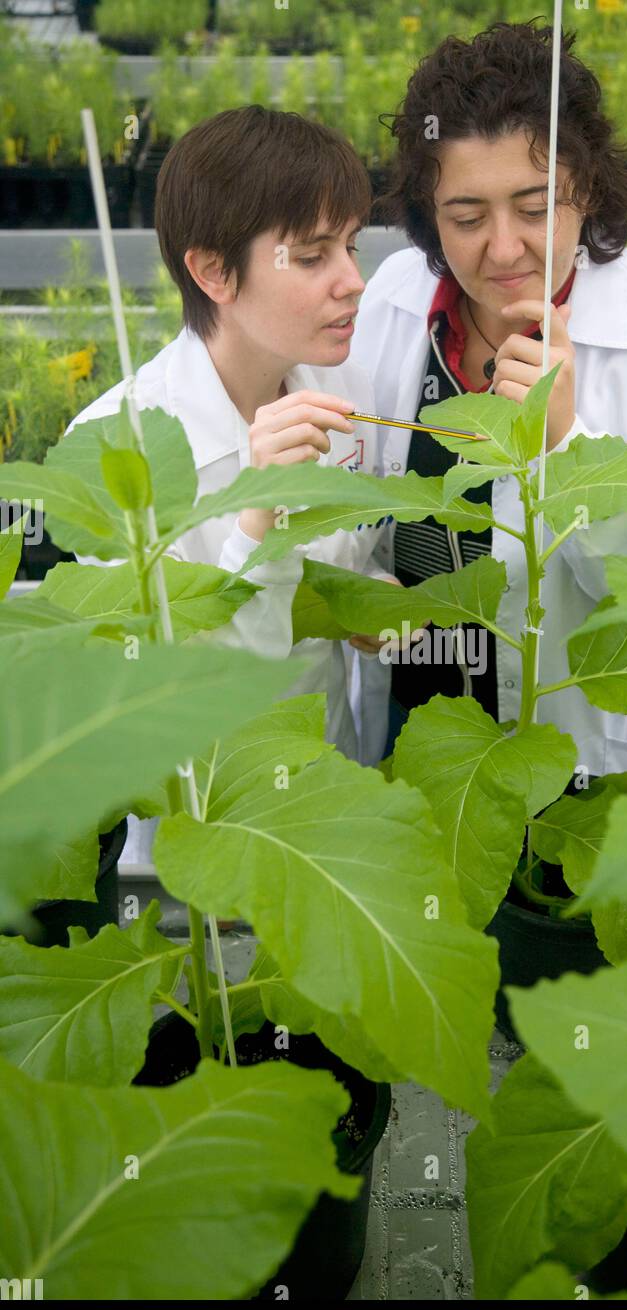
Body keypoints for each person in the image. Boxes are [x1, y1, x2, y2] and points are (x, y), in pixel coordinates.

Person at [351, 21, 627, 774]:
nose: (502, 248)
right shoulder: (389, 305)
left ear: (588, 189)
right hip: (421, 759)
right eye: (465, 218)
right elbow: (361, 506)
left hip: (597, 772)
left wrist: (566, 447)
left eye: (535, 209)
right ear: (427, 214)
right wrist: (369, 589)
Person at [67, 106, 395, 862]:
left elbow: (351, 562)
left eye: (350, 246)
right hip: (203, 836)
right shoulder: (116, 449)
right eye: (312, 258)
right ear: (214, 271)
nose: (353, 282)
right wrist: (258, 519)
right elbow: (169, 697)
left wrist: (376, 606)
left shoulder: (343, 386)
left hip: (326, 793)